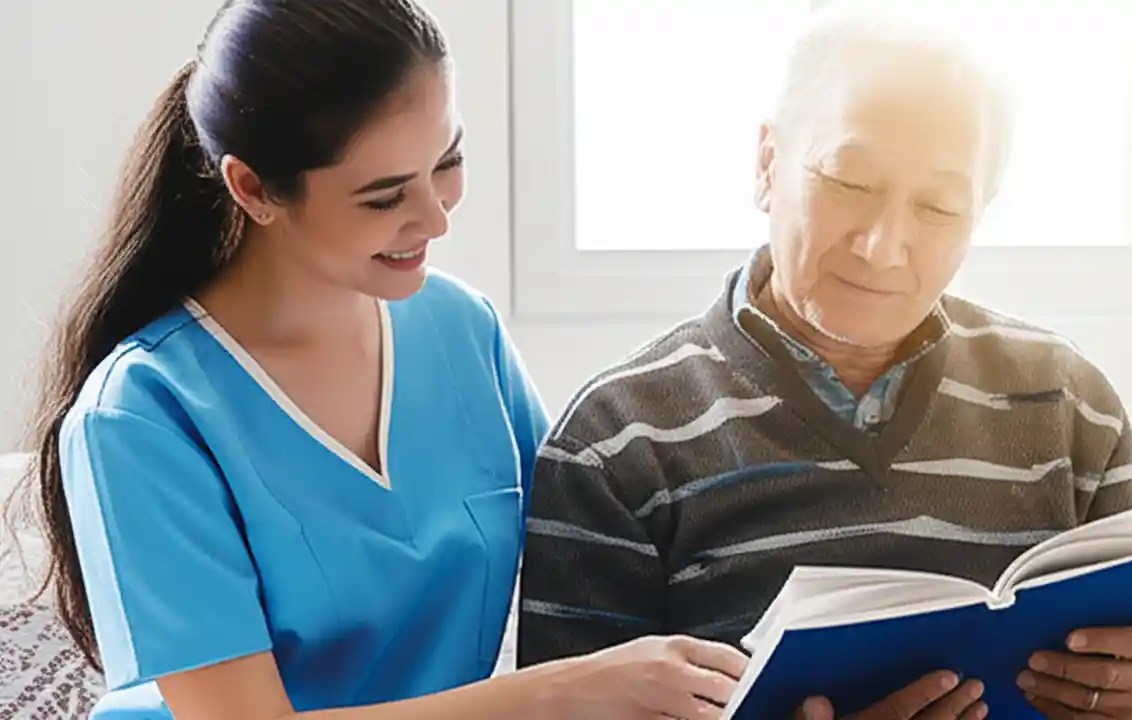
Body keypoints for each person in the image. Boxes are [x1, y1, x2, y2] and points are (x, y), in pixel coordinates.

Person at [16, 2, 748, 718]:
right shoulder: (143, 417)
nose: (436, 216)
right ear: (252, 188)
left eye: (448, 161)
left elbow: (602, 535)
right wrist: (565, 694)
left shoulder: (463, 329)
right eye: (384, 196)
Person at [518, 5, 1132, 720]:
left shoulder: (1065, 404)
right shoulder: (617, 439)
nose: (882, 247)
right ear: (769, 164)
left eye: (937, 209)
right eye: (849, 183)